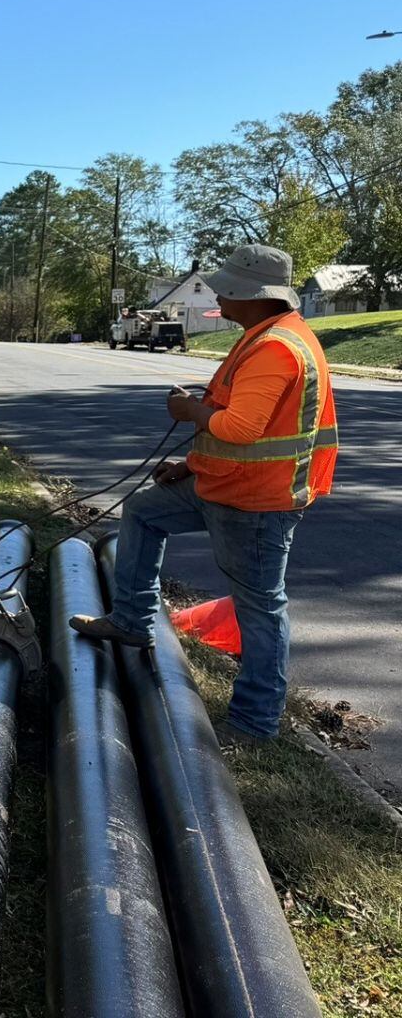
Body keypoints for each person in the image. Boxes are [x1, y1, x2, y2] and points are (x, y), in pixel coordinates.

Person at [70, 244, 339, 747]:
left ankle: (255, 722)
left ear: (251, 294)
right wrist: (189, 464)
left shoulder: (276, 347)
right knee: (144, 511)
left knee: (259, 608)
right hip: (221, 485)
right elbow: (246, 431)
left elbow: (240, 427)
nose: (218, 292)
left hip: (256, 503)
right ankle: (130, 620)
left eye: (226, 286)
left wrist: (190, 411)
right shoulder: (263, 337)